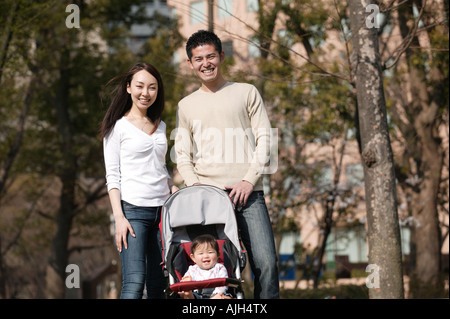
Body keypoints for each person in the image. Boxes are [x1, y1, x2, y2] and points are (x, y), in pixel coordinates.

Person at [174, 30, 280, 299]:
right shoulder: (186, 105)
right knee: (216, 271)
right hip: (207, 202)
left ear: (222, 56)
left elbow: (265, 139)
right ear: (190, 63)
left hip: (248, 194)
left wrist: (249, 180)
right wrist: (195, 186)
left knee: (266, 263)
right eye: (198, 59)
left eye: (211, 56)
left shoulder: (246, 92)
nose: (205, 63)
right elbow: (182, 154)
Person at [100, 62, 178, 299]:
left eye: (152, 87)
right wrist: (119, 218)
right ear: (128, 88)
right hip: (133, 212)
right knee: (134, 284)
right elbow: (112, 176)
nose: (146, 93)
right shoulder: (117, 128)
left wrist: (173, 187)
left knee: (158, 285)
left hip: (163, 212)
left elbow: (160, 167)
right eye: (140, 86)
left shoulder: (160, 125)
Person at [178, 234, 231, 299]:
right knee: (189, 292)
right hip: (198, 294)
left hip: (216, 293)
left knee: (226, 297)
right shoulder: (193, 269)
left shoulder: (220, 268)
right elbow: (184, 281)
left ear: (218, 255)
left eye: (210, 252)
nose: (206, 256)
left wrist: (216, 294)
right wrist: (185, 285)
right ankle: (188, 293)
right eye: (201, 253)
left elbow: (223, 285)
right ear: (193, 257)